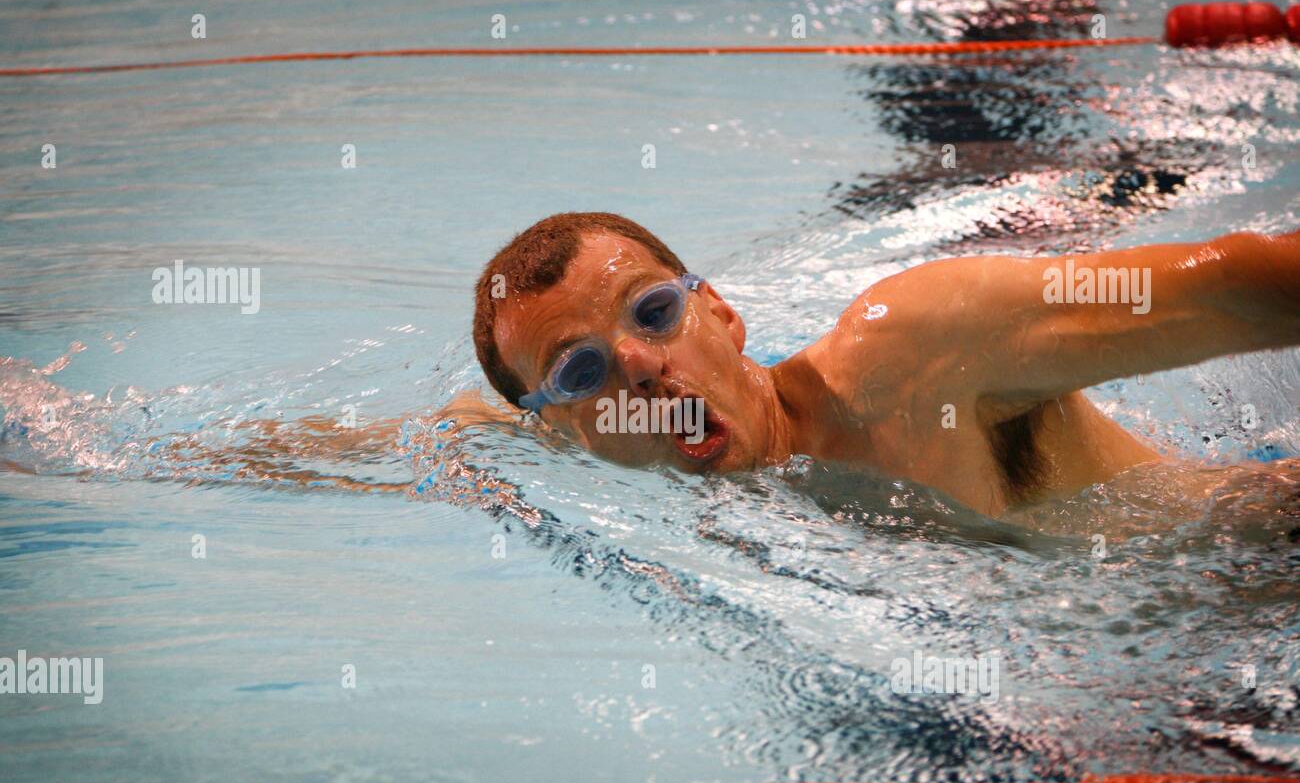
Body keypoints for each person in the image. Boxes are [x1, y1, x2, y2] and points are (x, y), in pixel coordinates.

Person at [464, 212, 1298, 518]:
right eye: (582, 372)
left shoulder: (913, 350)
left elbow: (1233, 287)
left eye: (654, 312)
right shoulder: (594, 441)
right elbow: (484, 425)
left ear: (721, 312)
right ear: (571, 430)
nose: (639, 367)